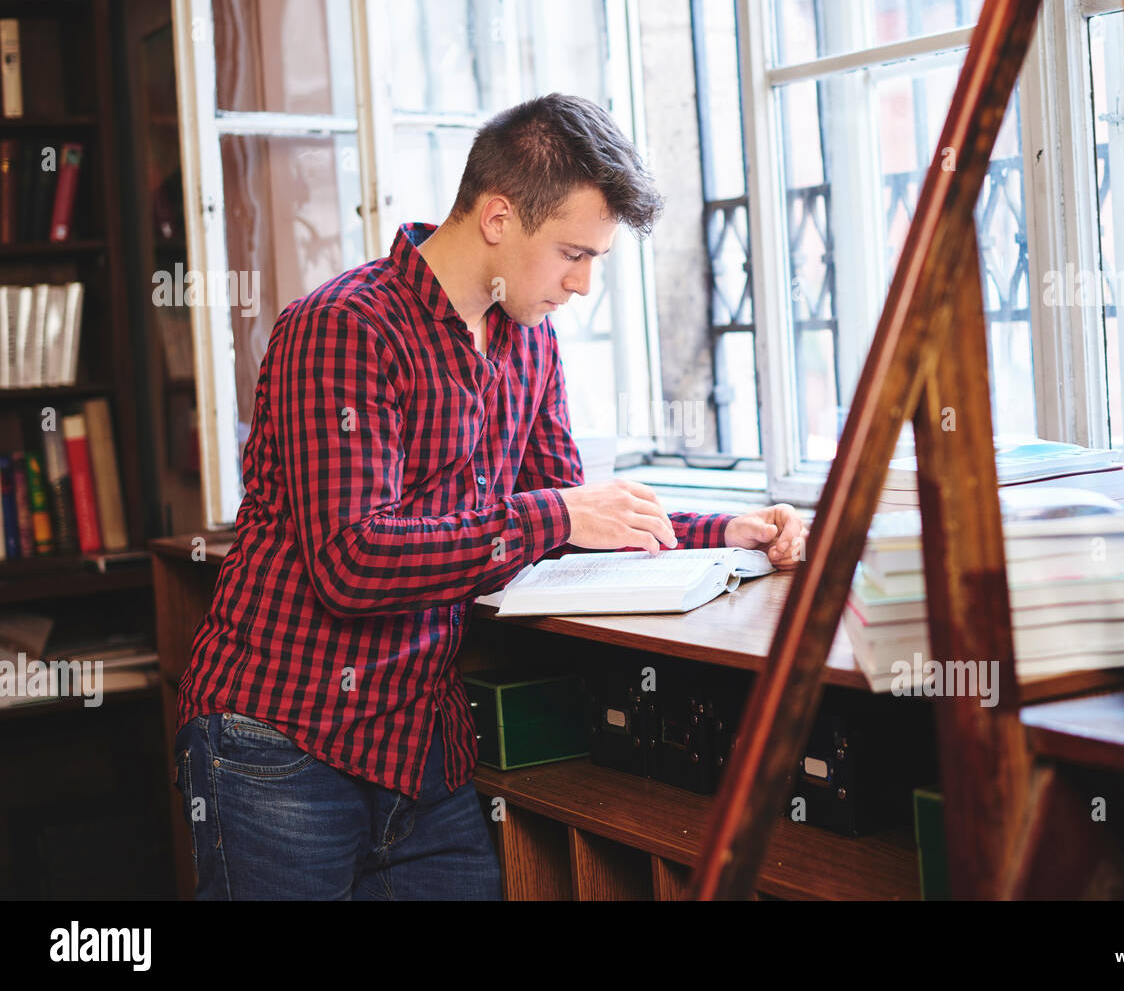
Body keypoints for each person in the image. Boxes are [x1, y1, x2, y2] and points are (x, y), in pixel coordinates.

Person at [172, 93, 808, 900]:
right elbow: (353, 561)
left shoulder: (530, 340)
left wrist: (730, 529)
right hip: (281, 745)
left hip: (421, 751)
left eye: (596, 261)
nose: (582, 286)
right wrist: (563, 513)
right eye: (573, 253)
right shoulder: (341, 328)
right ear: (499, 217)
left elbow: (564, 517)